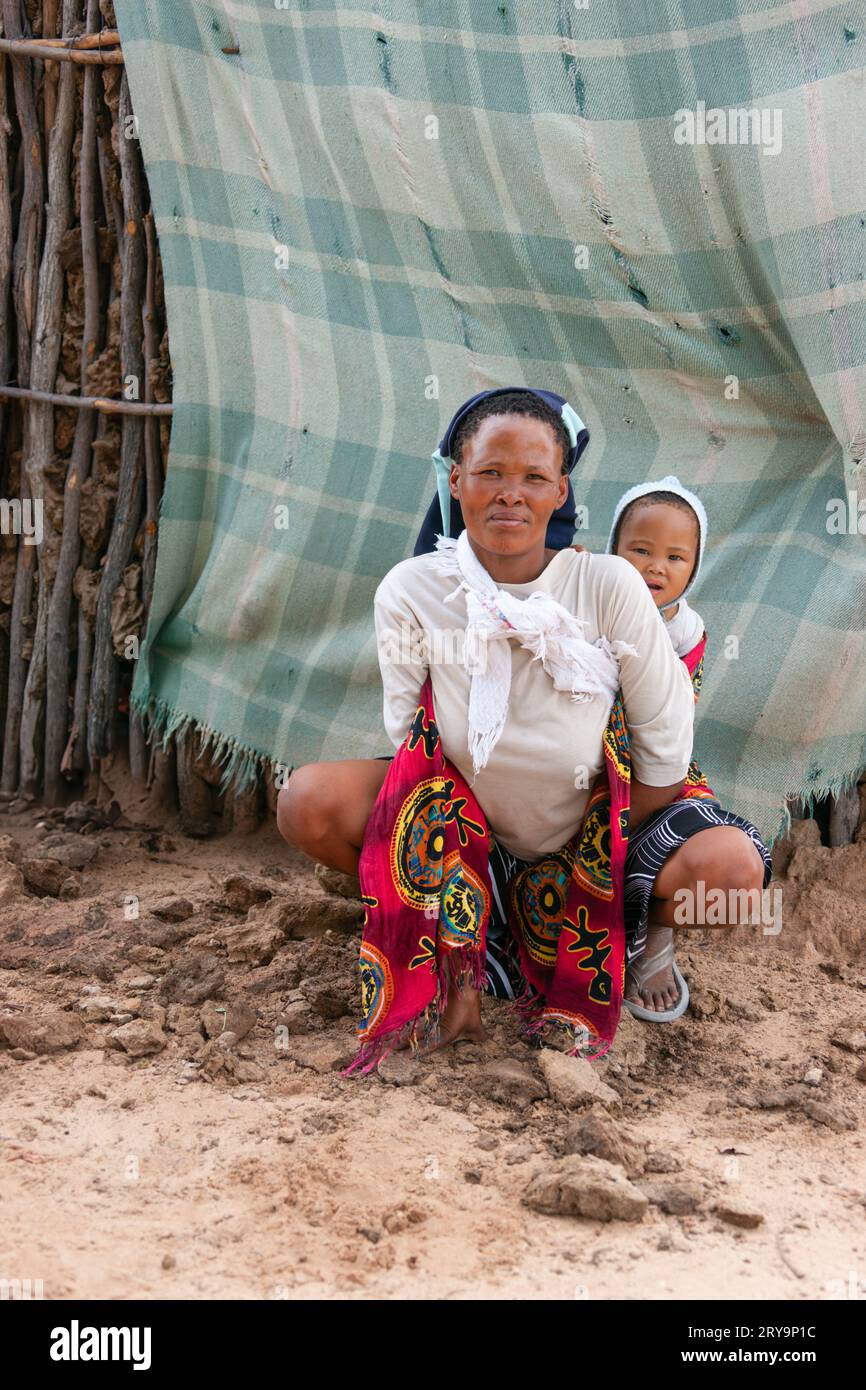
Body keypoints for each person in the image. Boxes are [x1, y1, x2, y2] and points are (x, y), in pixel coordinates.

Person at [277, 388, 772, 1061]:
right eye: (490, 474)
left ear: (560, 489)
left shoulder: (606, 586)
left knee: (733, 875)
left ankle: (637, 943)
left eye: (534, 477)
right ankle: (465, 944)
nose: (512, 494)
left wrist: (599, 880)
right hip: (472, 836)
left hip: (603, 826)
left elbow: (662, 741)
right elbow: (410, 746)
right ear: (456, 481)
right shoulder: (412, 589)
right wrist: (447, 861)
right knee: (309, 802)